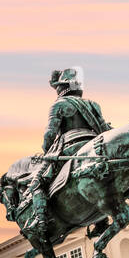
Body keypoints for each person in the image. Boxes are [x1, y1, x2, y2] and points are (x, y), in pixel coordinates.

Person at [25, 67, 111, 236]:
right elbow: (104, 128)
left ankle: (41, 221)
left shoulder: (59, 105)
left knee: (36, 181)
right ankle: (102, 222)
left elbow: (50, 133)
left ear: (62, 88)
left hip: (69, 147)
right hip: (94, 145)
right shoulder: (93, 104)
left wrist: (47, 151)